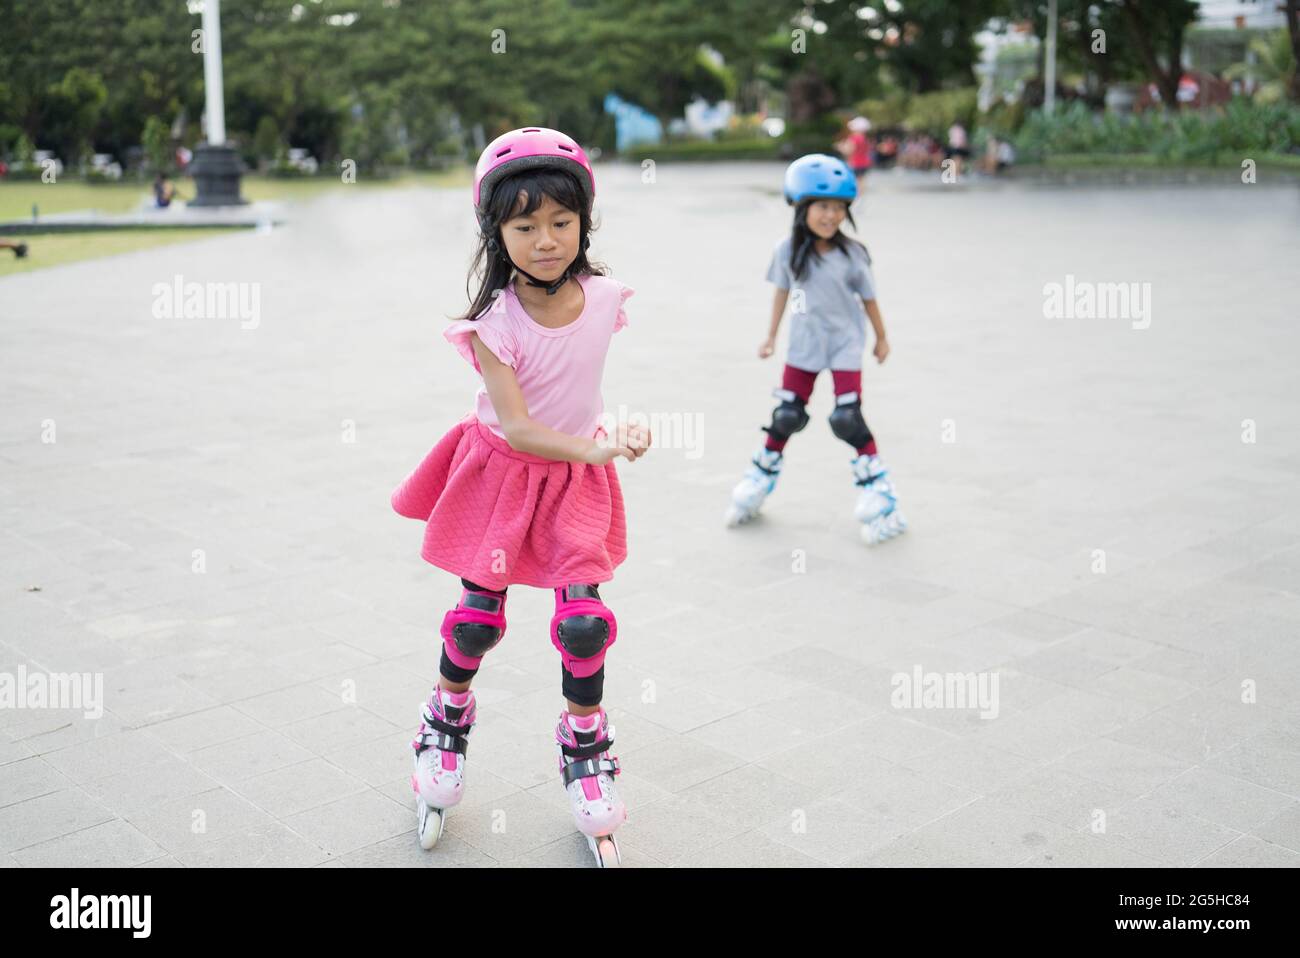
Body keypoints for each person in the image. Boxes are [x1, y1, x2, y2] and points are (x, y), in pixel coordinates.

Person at [390, 127, 650, 867]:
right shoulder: (491, 327)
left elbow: (580, 391)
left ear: (583, 223)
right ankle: (444, 718)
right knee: (475, 621)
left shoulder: (603, 298)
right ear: (496, 232)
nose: (546, 240)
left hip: (575, 476)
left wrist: (617, 427)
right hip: (505, 472)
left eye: (561, 223)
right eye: (525, 225)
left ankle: (586, 743)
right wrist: (596, 446)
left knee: (584, 625)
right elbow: (522, 427)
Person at [725, 154, 905, 545]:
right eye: (823, 207)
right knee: (787, 415)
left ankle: (879, 490)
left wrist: (882, 337)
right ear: (801, 208)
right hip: (804, 345)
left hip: (845, 343)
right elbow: (782, 292)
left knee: (847, 419)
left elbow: (870, 299)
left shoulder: (853, 254)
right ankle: (759, 478)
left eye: (839, 208)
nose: (831, 216)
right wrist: (770, 335)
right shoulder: (787, 250)